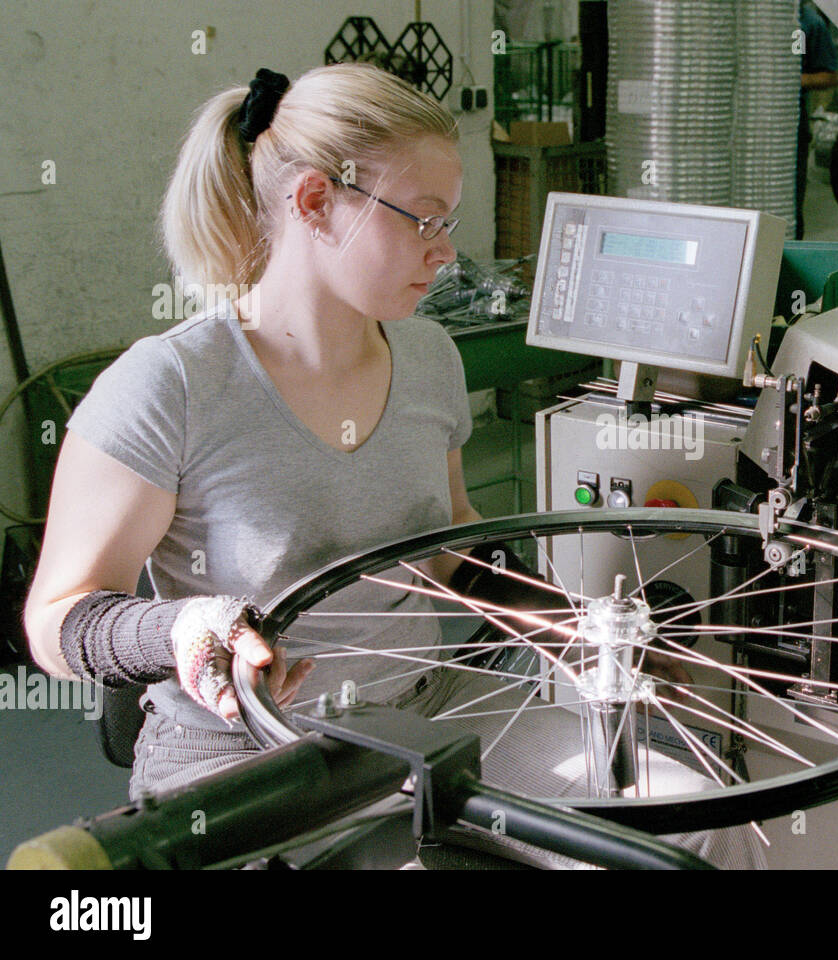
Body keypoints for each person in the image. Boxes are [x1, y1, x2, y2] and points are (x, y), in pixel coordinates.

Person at [23, 63, 762, 869]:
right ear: (314, 202)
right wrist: (182, 629)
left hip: (424, 715)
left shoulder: (429, 355)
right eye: (425, 221)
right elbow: (55, 622)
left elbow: (448, 544)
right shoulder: (169, 384)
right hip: (244, 756)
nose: (446, 253)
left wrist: (572, 625)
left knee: (686, 818)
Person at [797, 0, 838, 240]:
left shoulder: (809, 22)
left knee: (788, 201)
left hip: (789, 125)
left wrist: (792, 78)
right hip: (745, 126)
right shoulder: (750, 20)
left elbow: (830, 76)